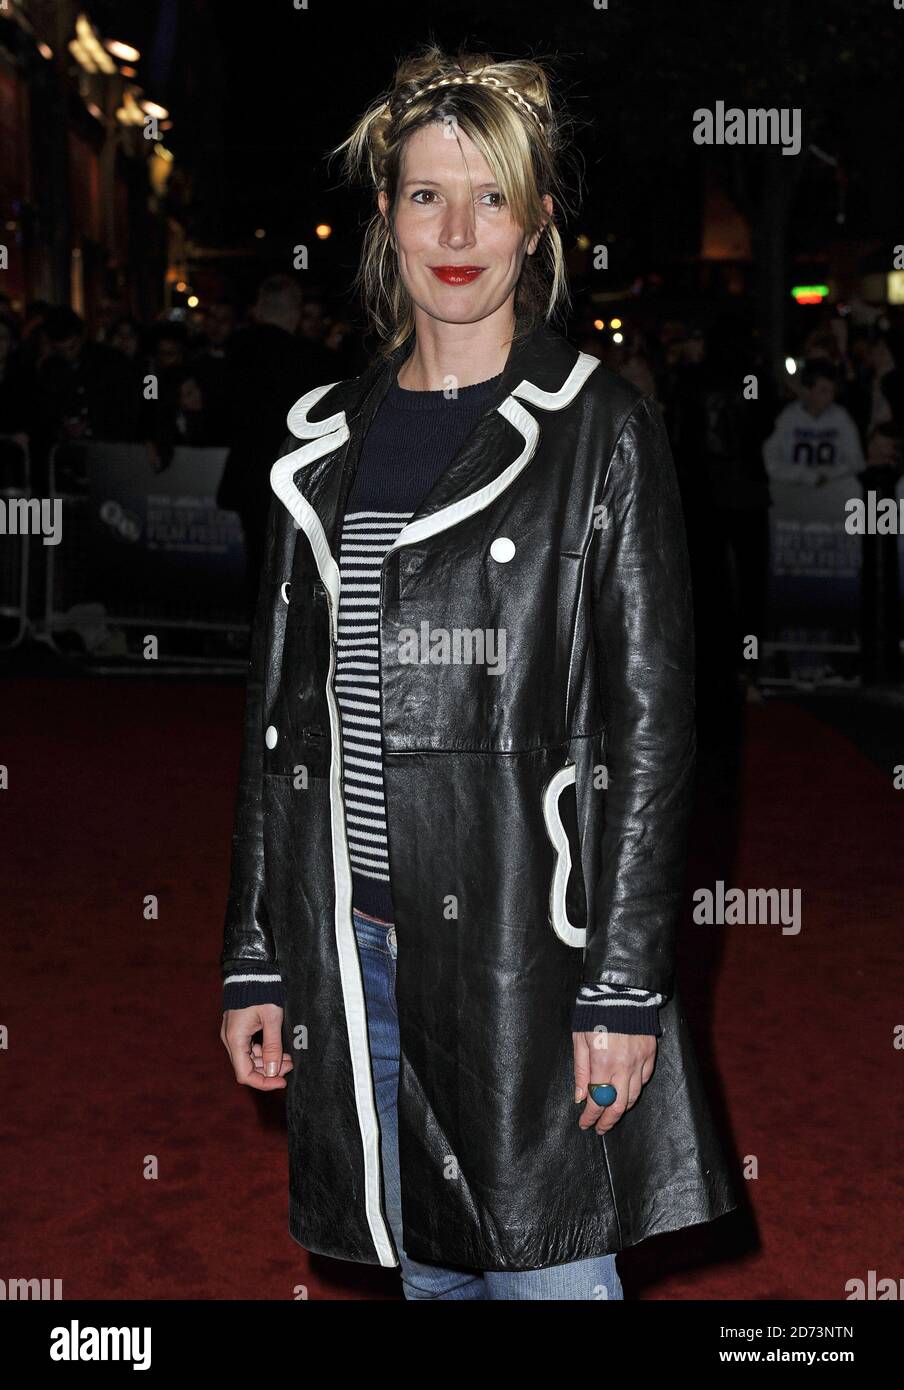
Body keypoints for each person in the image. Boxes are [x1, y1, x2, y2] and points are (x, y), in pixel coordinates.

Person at [219, 43, 737, 1300]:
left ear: (539, 217)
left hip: (528, 959)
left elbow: (654, 727)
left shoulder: (597, 428)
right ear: (384, 217)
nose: (459, 231)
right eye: (425, 195)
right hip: (355, 959)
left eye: (491, 196)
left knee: (552, 1282)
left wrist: (620, 986)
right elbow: (282, 727)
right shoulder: (319, 444)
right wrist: (254, 951)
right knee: (429, 1286)